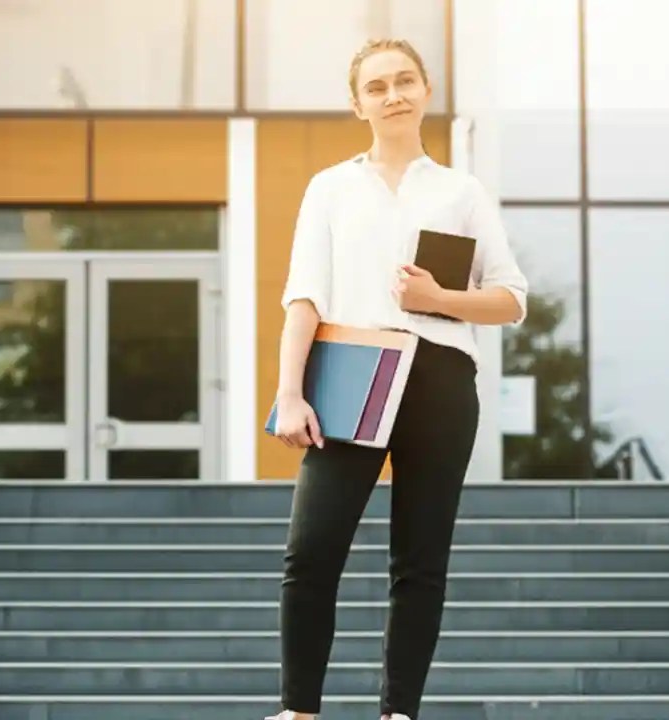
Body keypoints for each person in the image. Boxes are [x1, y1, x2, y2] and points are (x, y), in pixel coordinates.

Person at [266, 38, 529, 720]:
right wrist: (289, 392)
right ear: (358, 104)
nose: (393, 95)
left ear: (426, 90)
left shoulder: (460, 190)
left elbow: (511, 298)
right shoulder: (329, 187)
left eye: (405, 81)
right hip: (353, 369)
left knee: (419, 561)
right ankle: (299, 711)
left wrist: (439, 298)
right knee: (312, 551)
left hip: (440, 376)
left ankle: (397, 713)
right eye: (377, 86)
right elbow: (305, 298)